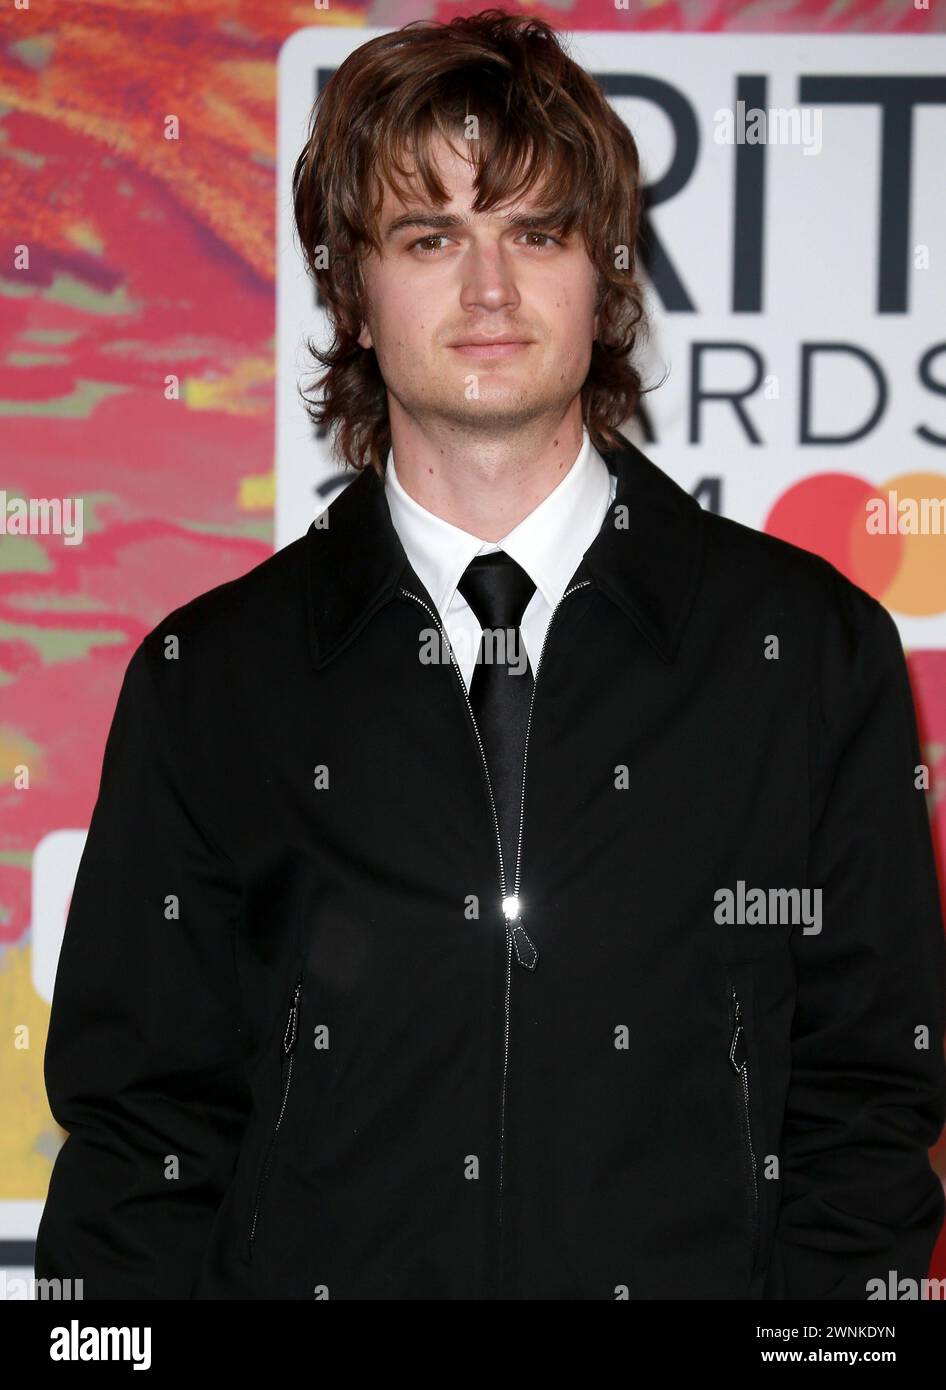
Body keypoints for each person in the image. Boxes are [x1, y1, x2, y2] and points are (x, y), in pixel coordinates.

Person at [35, 10, 946, 1301]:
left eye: (534, 232)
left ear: (604, 272)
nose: (487, 292)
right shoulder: (214, 673)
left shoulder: (802, 649)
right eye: (427, 238)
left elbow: (864, 1102)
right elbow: (142, 1134)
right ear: (350, 289)